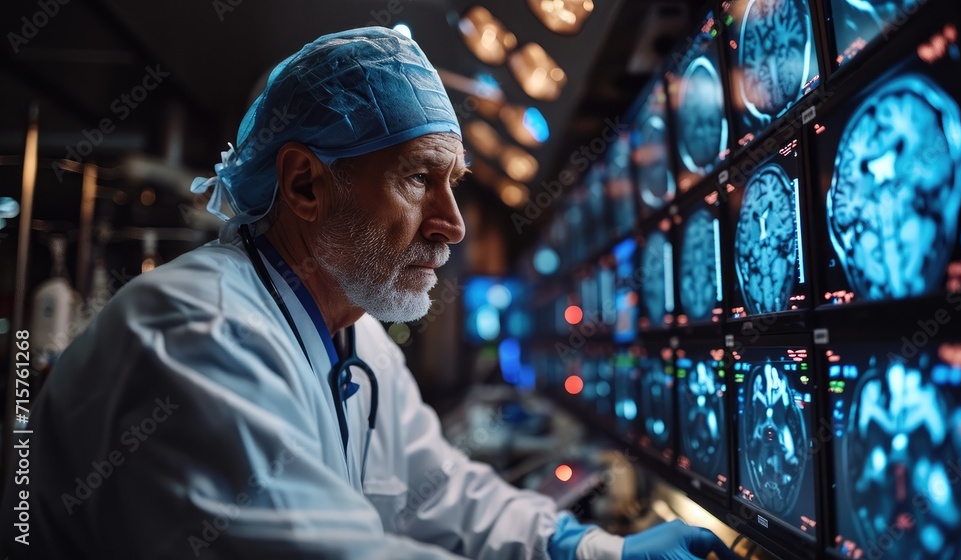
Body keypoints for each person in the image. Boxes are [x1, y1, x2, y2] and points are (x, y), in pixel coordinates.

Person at [4, 28, 735, 560]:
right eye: (419, 179)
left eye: (454, 186)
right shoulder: (199, 333)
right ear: (304, 185)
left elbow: (434, 488)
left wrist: (589, 549)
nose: (449, 225)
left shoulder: (354, 339)